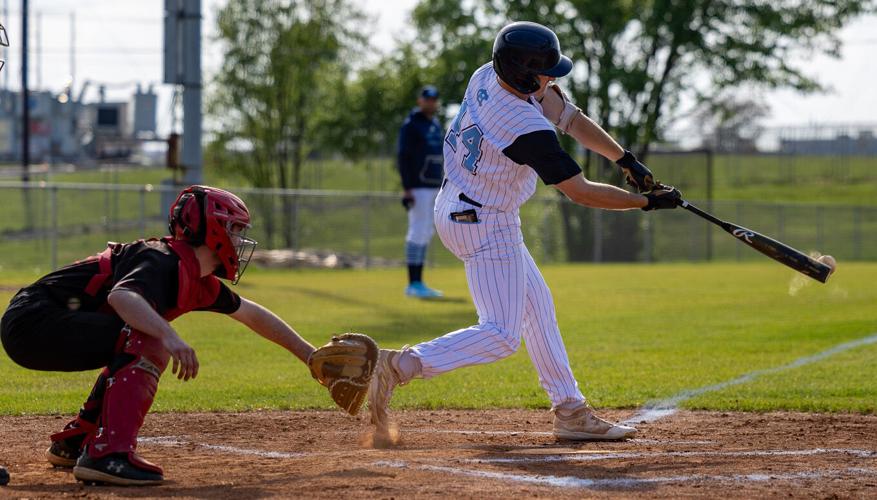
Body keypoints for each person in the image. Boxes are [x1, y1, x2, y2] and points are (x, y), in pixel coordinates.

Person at [368, 21, 681, 443]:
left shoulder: (488, 74)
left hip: (462, 205)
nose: (551, 79)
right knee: (501, 334)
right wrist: (646, 203)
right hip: (484, 220)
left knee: (538, 310)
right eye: (545, 73)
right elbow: (580, 191)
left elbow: (569, 117)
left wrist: (624, 159)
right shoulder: (521, 125)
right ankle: (399, 366)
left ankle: (570, 411)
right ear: (523, 75)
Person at [1, 186, 318, 486]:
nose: (239, 240)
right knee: (147, 338)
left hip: (39, 320)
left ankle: (78, 441)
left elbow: (251, 314)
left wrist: (311, 357)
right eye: (234, 229)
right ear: (212, 229)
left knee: (137, 337)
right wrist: (170, 336)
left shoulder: (195, 276)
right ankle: (108, 455)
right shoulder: (161, 258)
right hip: (33, 320)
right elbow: (122, 297)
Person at [397, 85, 445, 298]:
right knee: (417, 230)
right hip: (418, 186)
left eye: (434, 99)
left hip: (434, 185)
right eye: (427, 99)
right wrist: (407, 188)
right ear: (420, 101)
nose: (431, 103)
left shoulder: (434, 124)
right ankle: (413, 283)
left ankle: (419, 282)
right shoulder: (411, 125)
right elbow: (403, 157)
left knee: (426, 231)